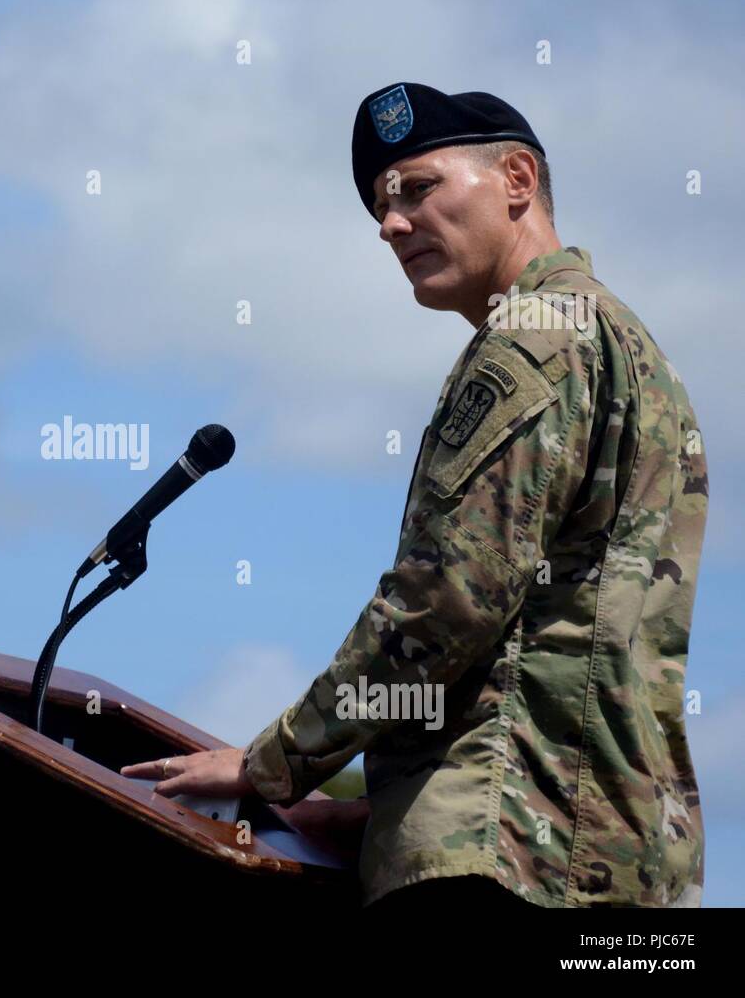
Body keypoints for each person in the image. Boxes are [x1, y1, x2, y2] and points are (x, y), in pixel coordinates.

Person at [122, 81, 707, 909]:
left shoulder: (530, 342)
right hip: (615, 865)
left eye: (417, 190)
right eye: (380, 211)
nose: (393, 225)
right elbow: (550, 647)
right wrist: (373, 809)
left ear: (516, 178)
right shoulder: (629, 347)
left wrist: (276, 762)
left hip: (498, 855)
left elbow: (447, 602)